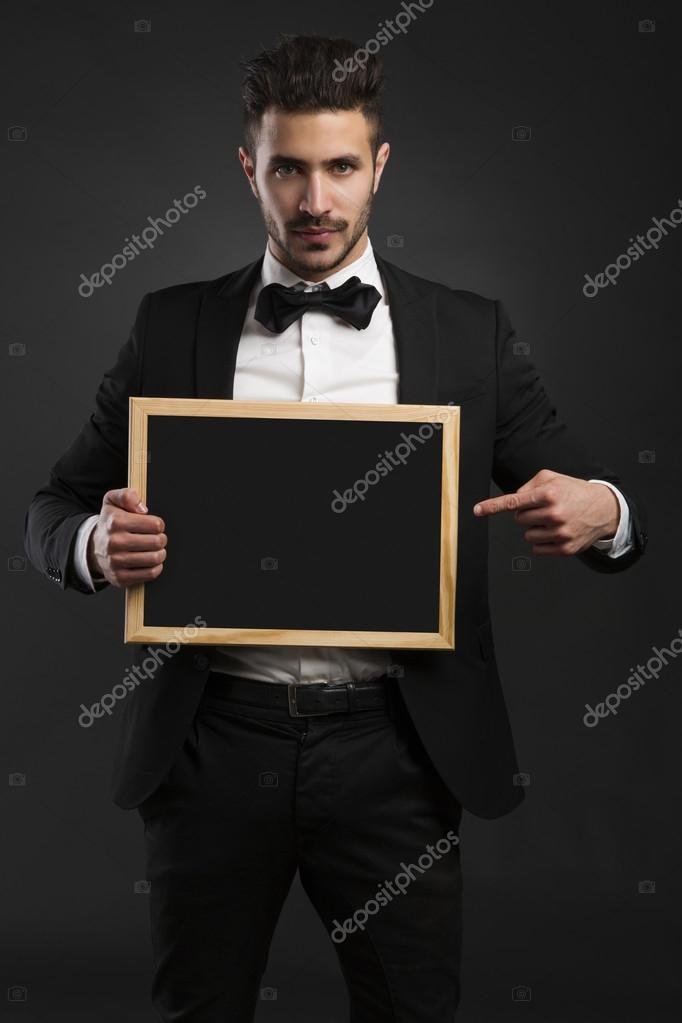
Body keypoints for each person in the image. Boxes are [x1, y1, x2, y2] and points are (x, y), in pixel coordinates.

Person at [23, 32, 648, 1023]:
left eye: (341, 168)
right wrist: (97, 547)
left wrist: (603, 513)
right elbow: (52, 509)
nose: (315, 202)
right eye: (289, 170)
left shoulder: (469, 332)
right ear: (249, 169)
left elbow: (600, 497)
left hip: (399, 749)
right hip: (211, 744)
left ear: (380, 165)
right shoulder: (169, 323)